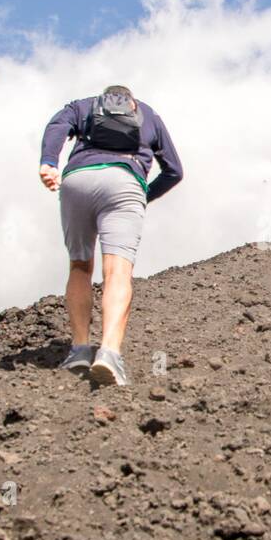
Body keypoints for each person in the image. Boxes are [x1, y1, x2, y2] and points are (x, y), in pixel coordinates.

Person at [39, 85, 182, 386]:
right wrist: (142, 195)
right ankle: (109, 353)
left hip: (77, 181)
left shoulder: (82, 106)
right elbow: (174, 171)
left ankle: (79, 349)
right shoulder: (149, 115)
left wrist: (49, 162)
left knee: (80, 266)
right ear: (131, 102)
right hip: (124, 182)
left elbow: (57, 126)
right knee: (117, 271)